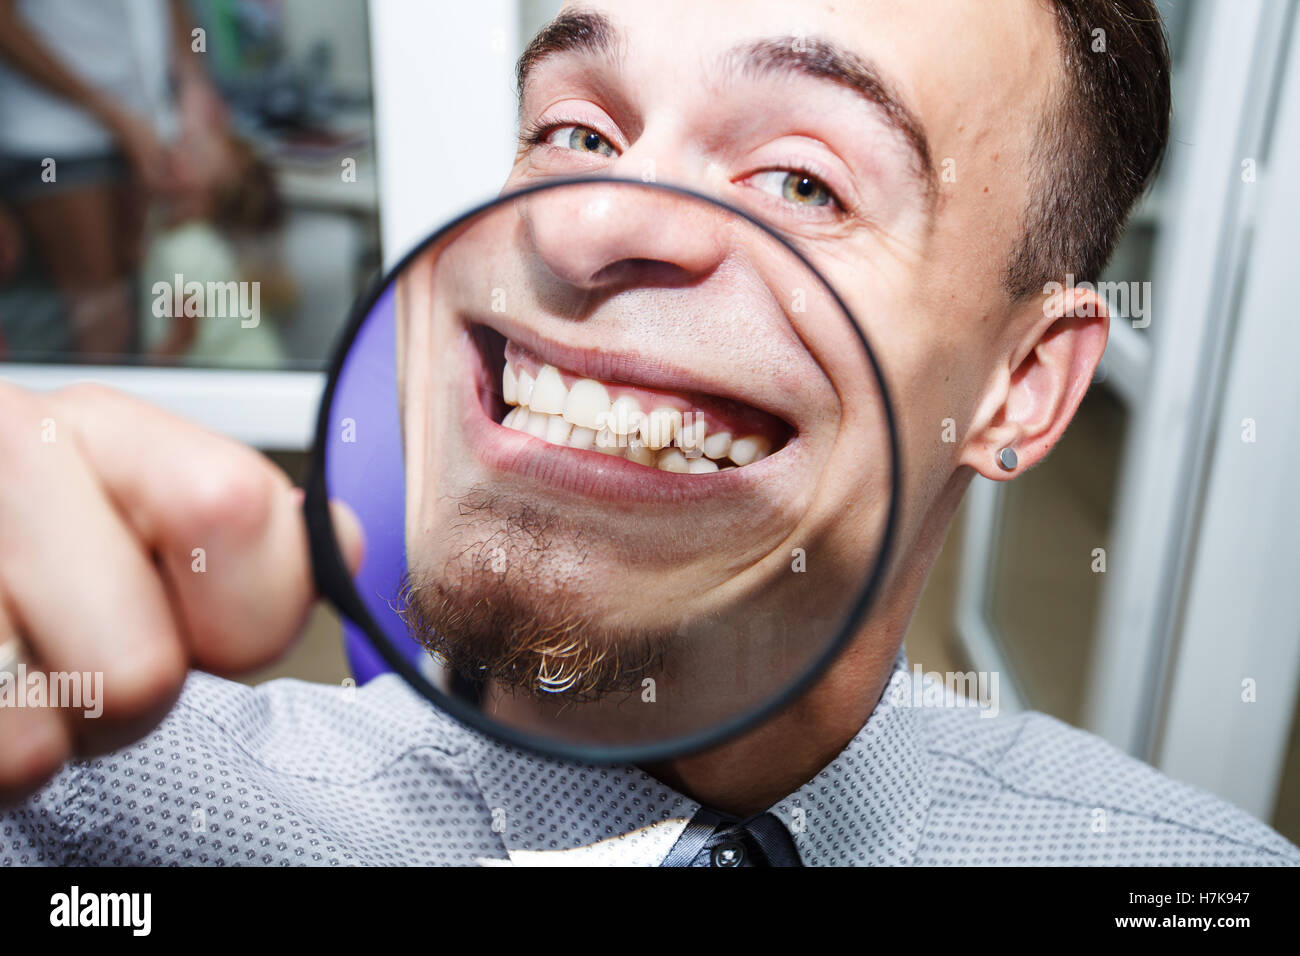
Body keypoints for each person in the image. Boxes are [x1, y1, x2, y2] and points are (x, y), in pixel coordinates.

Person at [1, 0, 1297, 866]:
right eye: (575, 131)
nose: (578, 222)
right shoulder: (81, 808)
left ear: (1020, 386)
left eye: (802, 179)